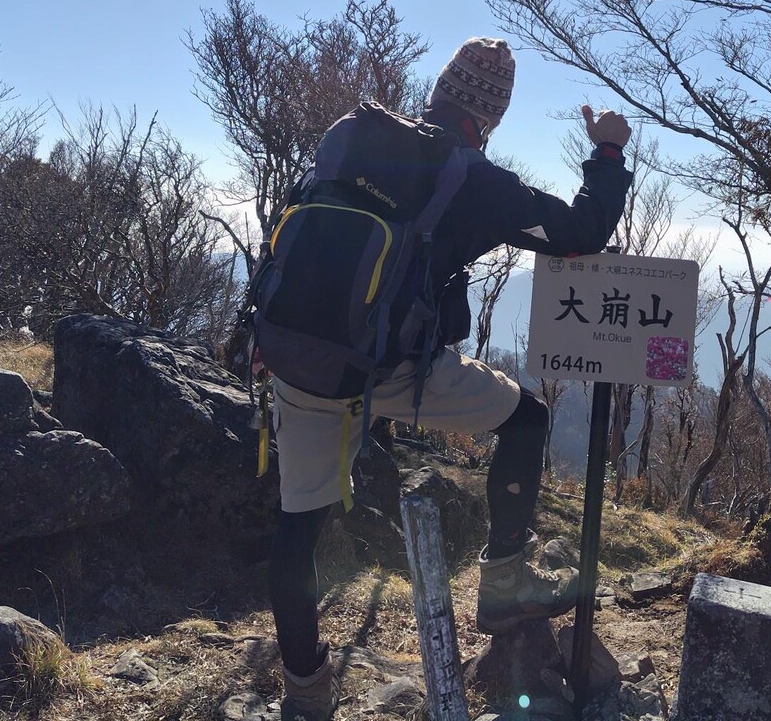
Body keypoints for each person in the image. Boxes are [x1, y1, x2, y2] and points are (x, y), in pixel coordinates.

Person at [269, 37, 632, 721]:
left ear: (438, 92)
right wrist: (607, 152)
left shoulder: (355, 133)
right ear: (489, 116)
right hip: (396, 370)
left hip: (302, 357)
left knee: (298, 528)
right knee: (525, 417)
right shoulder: (478, 181)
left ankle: (304, 691)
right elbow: (581, 231)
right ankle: (503, 583)